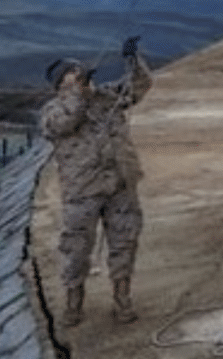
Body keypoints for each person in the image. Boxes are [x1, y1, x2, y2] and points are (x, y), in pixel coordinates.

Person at [41, 35, 153, 327]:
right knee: (76, 249)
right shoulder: (53, 111)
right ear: (60, 85)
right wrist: (77, 94)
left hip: (119, 183)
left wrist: (133, 59)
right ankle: (74, 304)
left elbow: (139, 86)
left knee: (124, 242)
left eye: (80, 72)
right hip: (83, 192)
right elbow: (66, 122)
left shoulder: (107, 98)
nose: (80, 77)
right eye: (72, 75)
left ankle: (122, 299)